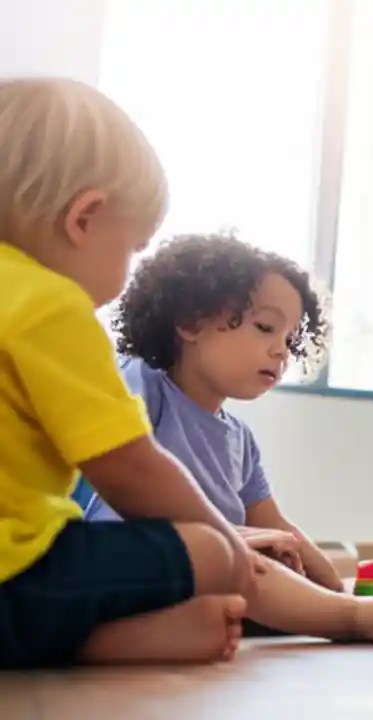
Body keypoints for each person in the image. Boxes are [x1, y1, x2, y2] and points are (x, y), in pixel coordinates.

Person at [0, 77, 256, 667]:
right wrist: (224, 540)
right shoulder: (46, 304)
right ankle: (109, 638)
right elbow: (128, 470)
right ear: (83, 219)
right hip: (15, 575)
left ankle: (103, 638)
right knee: (206, 551)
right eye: (134, 247)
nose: (126, 271)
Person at [83, 233, 373, 646]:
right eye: (266, 327)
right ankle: (350, 620)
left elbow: (278, 525)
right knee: (244, 561)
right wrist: (238, 539)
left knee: (269, 563)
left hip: (206, 573)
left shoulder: (240, 439)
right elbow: (124, 507)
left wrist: (336, 585)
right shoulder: (141, 385)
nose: (281, 351)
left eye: (289, 339)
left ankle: (321, 609)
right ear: (191, 322)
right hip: (136, 556)